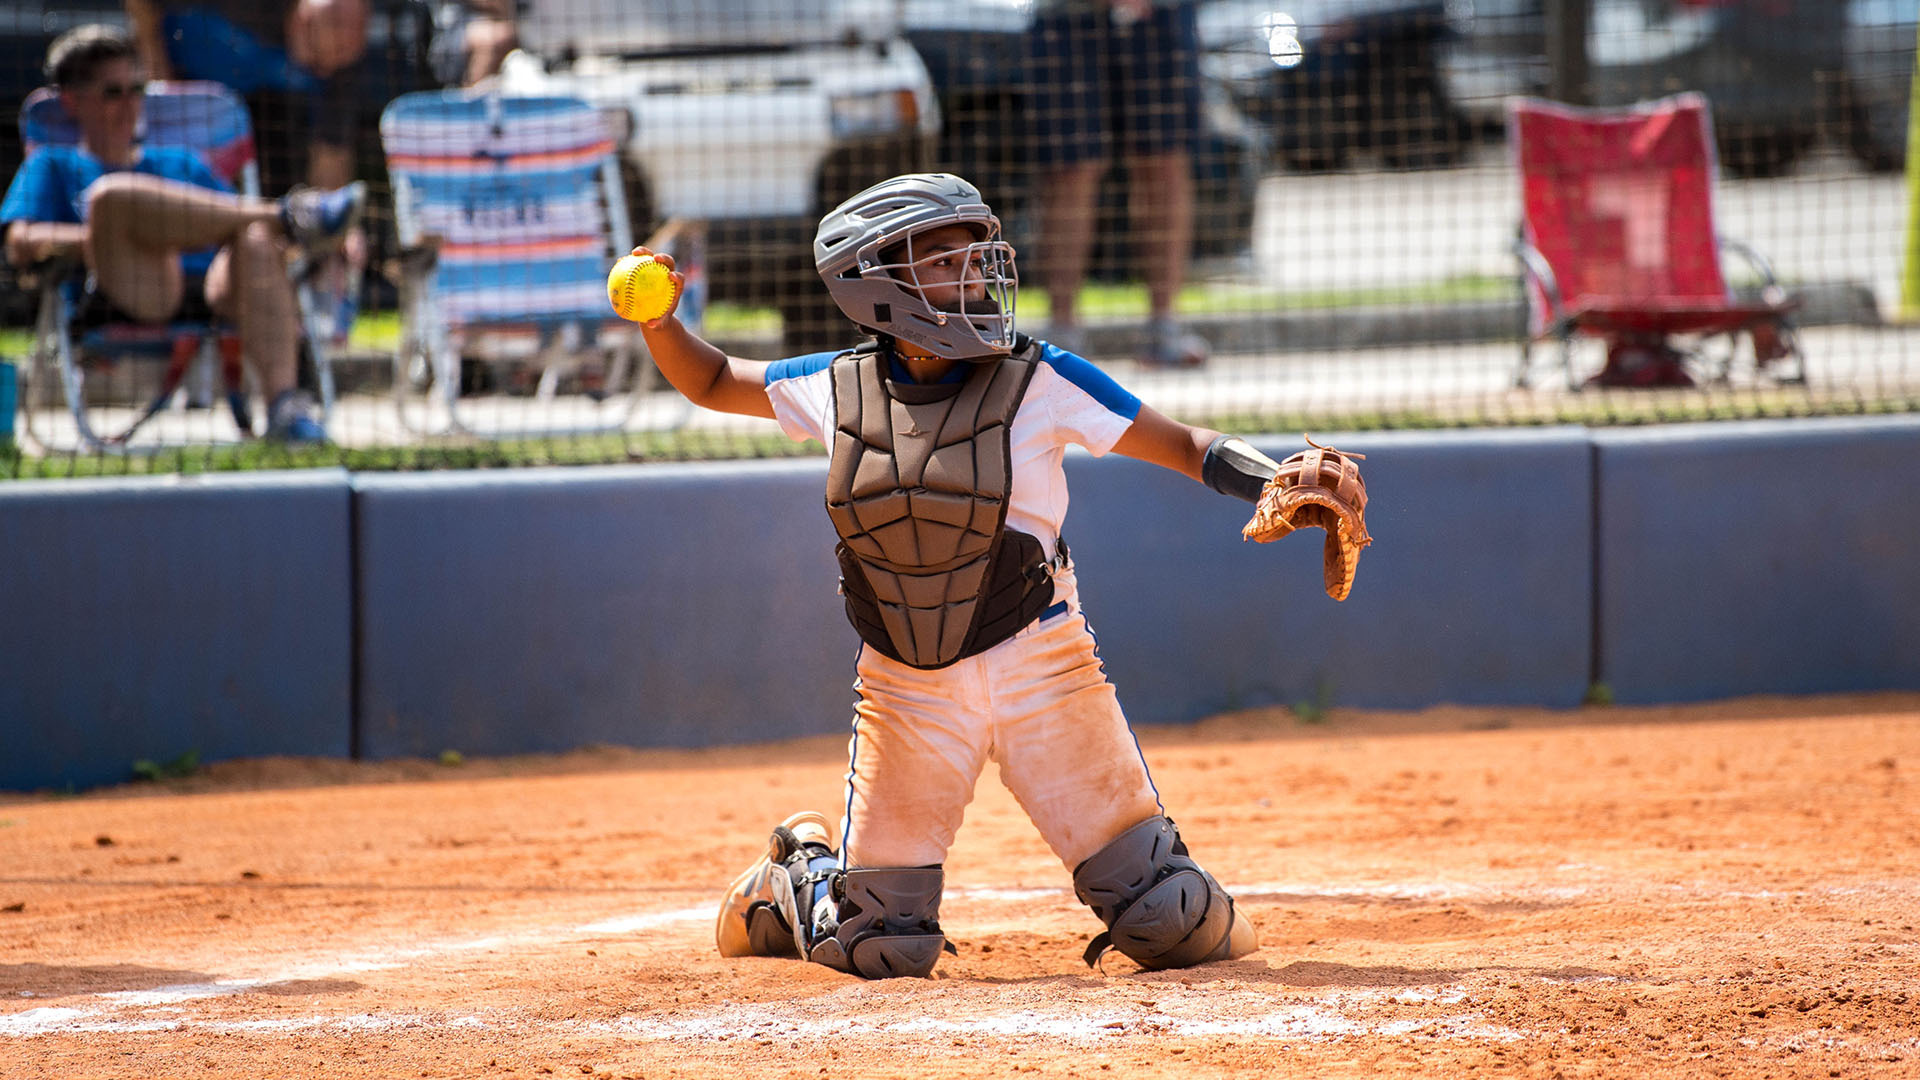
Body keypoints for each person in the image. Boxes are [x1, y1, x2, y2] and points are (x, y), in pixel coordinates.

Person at [629, 172, 1309, 979]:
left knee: (1172, 922)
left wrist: (1277, 479)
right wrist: (660, 321)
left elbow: (1187, 443)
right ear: (877, 282)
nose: (977, 279)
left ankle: (1174, 897)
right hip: (907, 688)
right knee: (882, 944)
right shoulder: (834, 386)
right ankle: (793, 876)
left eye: (979, 258)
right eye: (947, 261)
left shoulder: (1042, 377)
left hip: (1045, 670)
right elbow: (711, 381)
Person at [0, 25, 366, 442]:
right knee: (109, 198)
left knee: (256, 237)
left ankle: (285, 410)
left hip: (212, 289)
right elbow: (19, 244)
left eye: (137, 89)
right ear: (72, 100)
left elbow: (240, 222)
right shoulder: (53, 165)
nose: (131, 105)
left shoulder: (180, 162)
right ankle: (292, 215)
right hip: (121, 288)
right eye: (113, 92)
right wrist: (103, 236)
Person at [1026, 0, 1210, 368]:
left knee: (1164, 162)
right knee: (1072, 168)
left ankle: (1165, 328)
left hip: (1158, 15)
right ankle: (1062, 337)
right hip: (1067, 17)